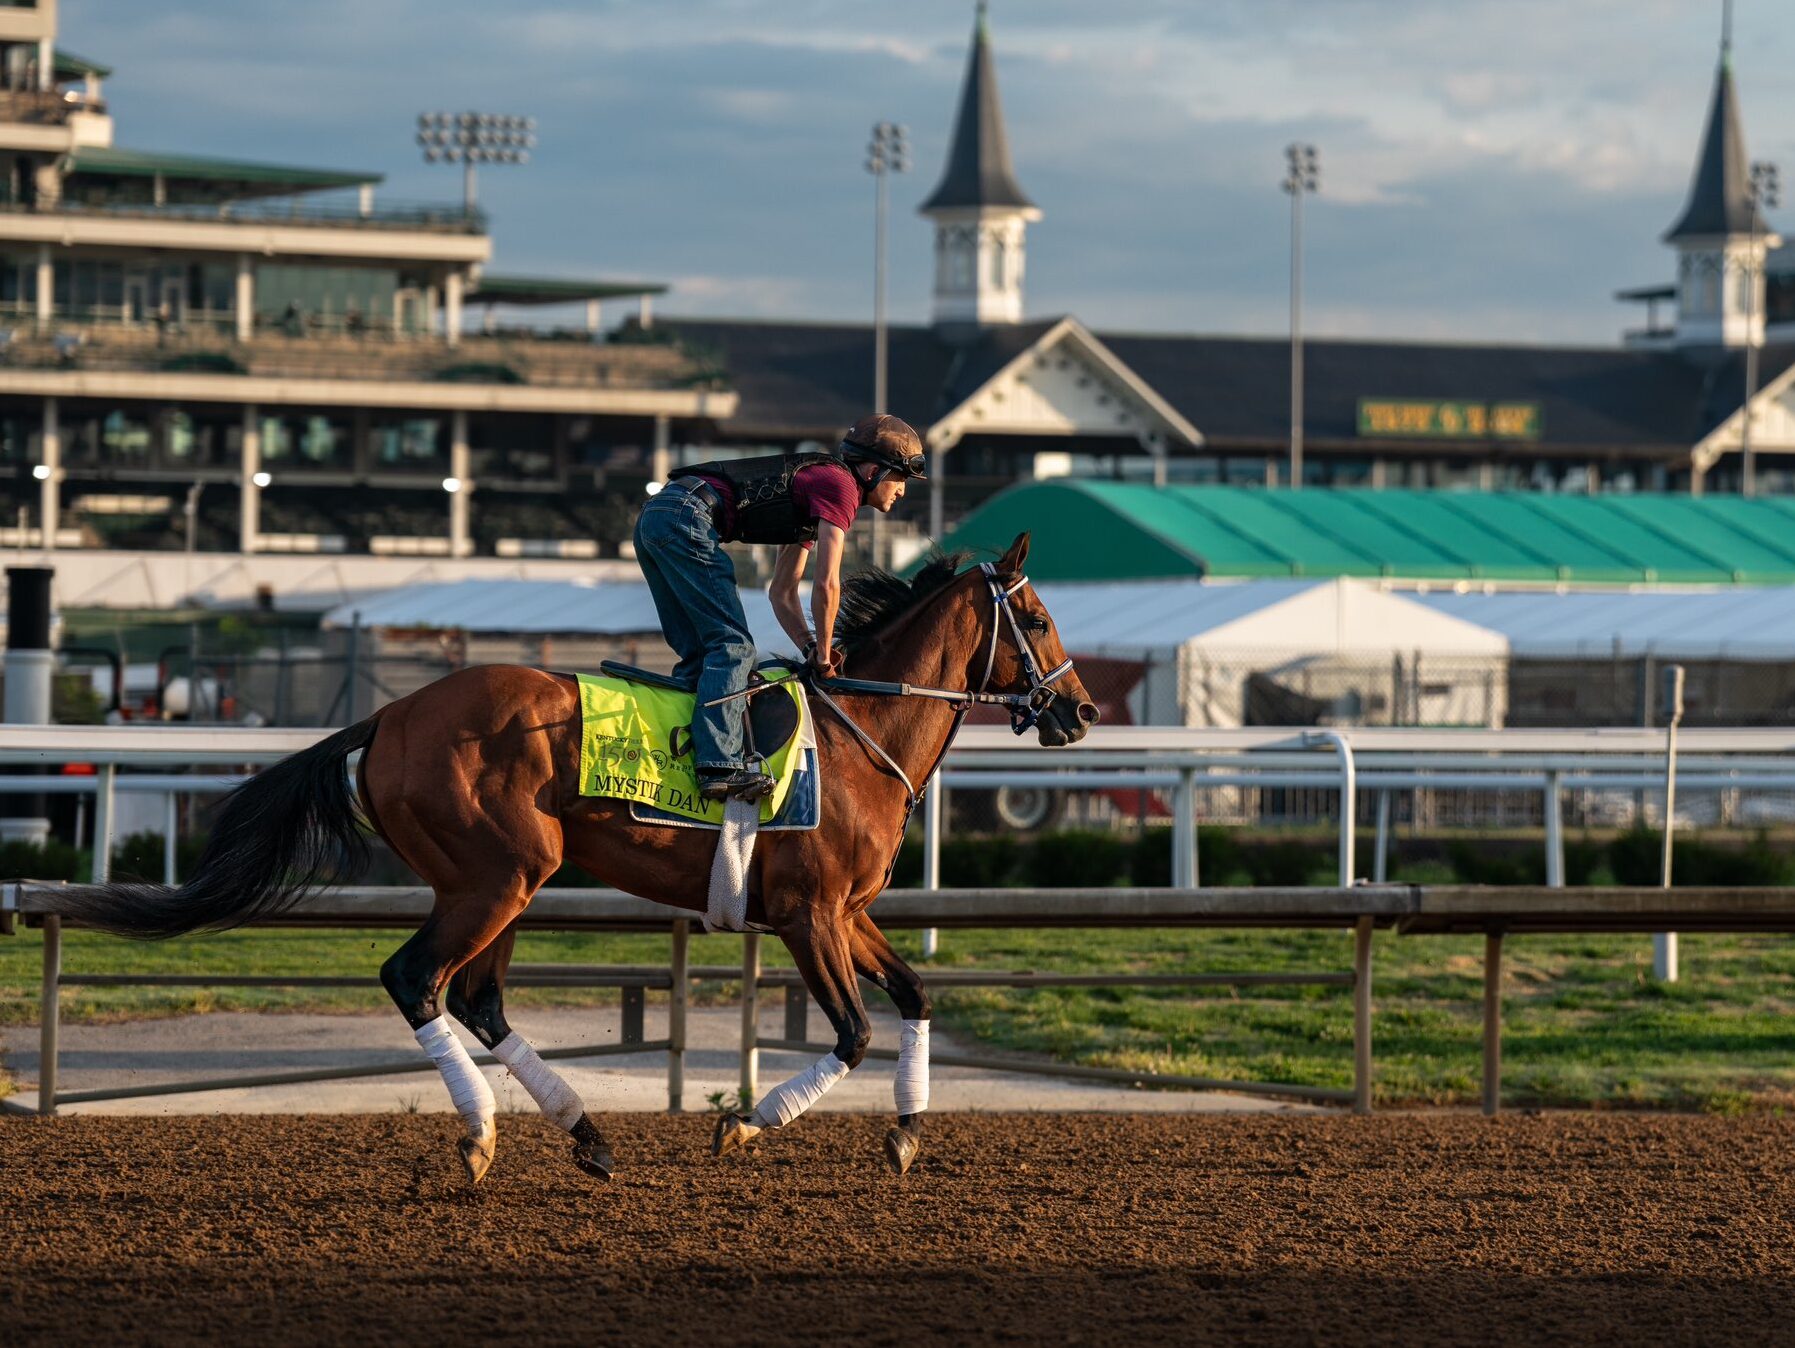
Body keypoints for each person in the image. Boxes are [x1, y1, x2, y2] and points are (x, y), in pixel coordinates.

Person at [632, 413, 927, 801]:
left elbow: (782, 592)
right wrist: (823, 654)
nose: (902, 491)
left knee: (701, 655)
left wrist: (808, 647)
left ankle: (677, 757)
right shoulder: (840, 487)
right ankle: (719, 767)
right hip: (686, 518)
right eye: (900, 478)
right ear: (872, 470)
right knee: (732, 648)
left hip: (659, 515)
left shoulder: (816, 494)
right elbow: (827, 584)